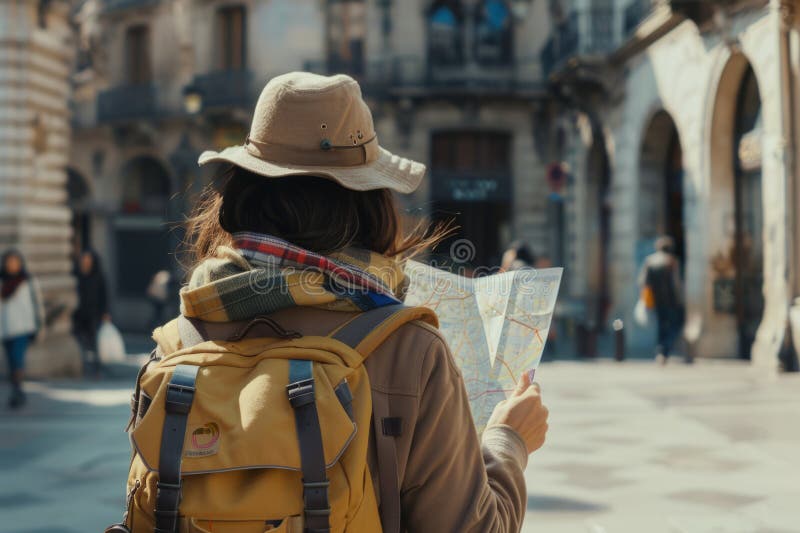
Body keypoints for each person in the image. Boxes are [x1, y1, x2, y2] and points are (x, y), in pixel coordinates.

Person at [176, 72, 549, 531]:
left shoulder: (185, 332)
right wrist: (509, 441)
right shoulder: (411, 349)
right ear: (370, 201)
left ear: (242, 190)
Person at [0, 249, 44, 408]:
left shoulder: (28, 281)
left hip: (23, 328)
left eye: (15, 262)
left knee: (18, 359)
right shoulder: (2, 282)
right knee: (11, 362)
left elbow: (37, 304)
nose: (12, 265)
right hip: (5, 329)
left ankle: (17, 391)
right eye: (9, 262)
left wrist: (40, 325)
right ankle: (16, 389)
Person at [638, 235, 685, 364]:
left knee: (661, 325)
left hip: (656, 300)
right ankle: (664, 350)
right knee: (674, 325)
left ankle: (660, 351)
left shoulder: (649, 261)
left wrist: (645, 298)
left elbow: (643, 282)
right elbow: (676, 283)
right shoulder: (672, 261)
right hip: (671, 300)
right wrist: (680, 300)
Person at [73, 249, 109, 376]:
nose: (86, 262)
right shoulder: (75, 275)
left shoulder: (98, 276)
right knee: (80, 342)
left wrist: (105, 312)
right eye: (84, 259)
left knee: (94, 344)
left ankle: (96, 369)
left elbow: (104, 295)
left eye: (88, 259)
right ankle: (84, 368)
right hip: (78, 315)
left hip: (94, 314)